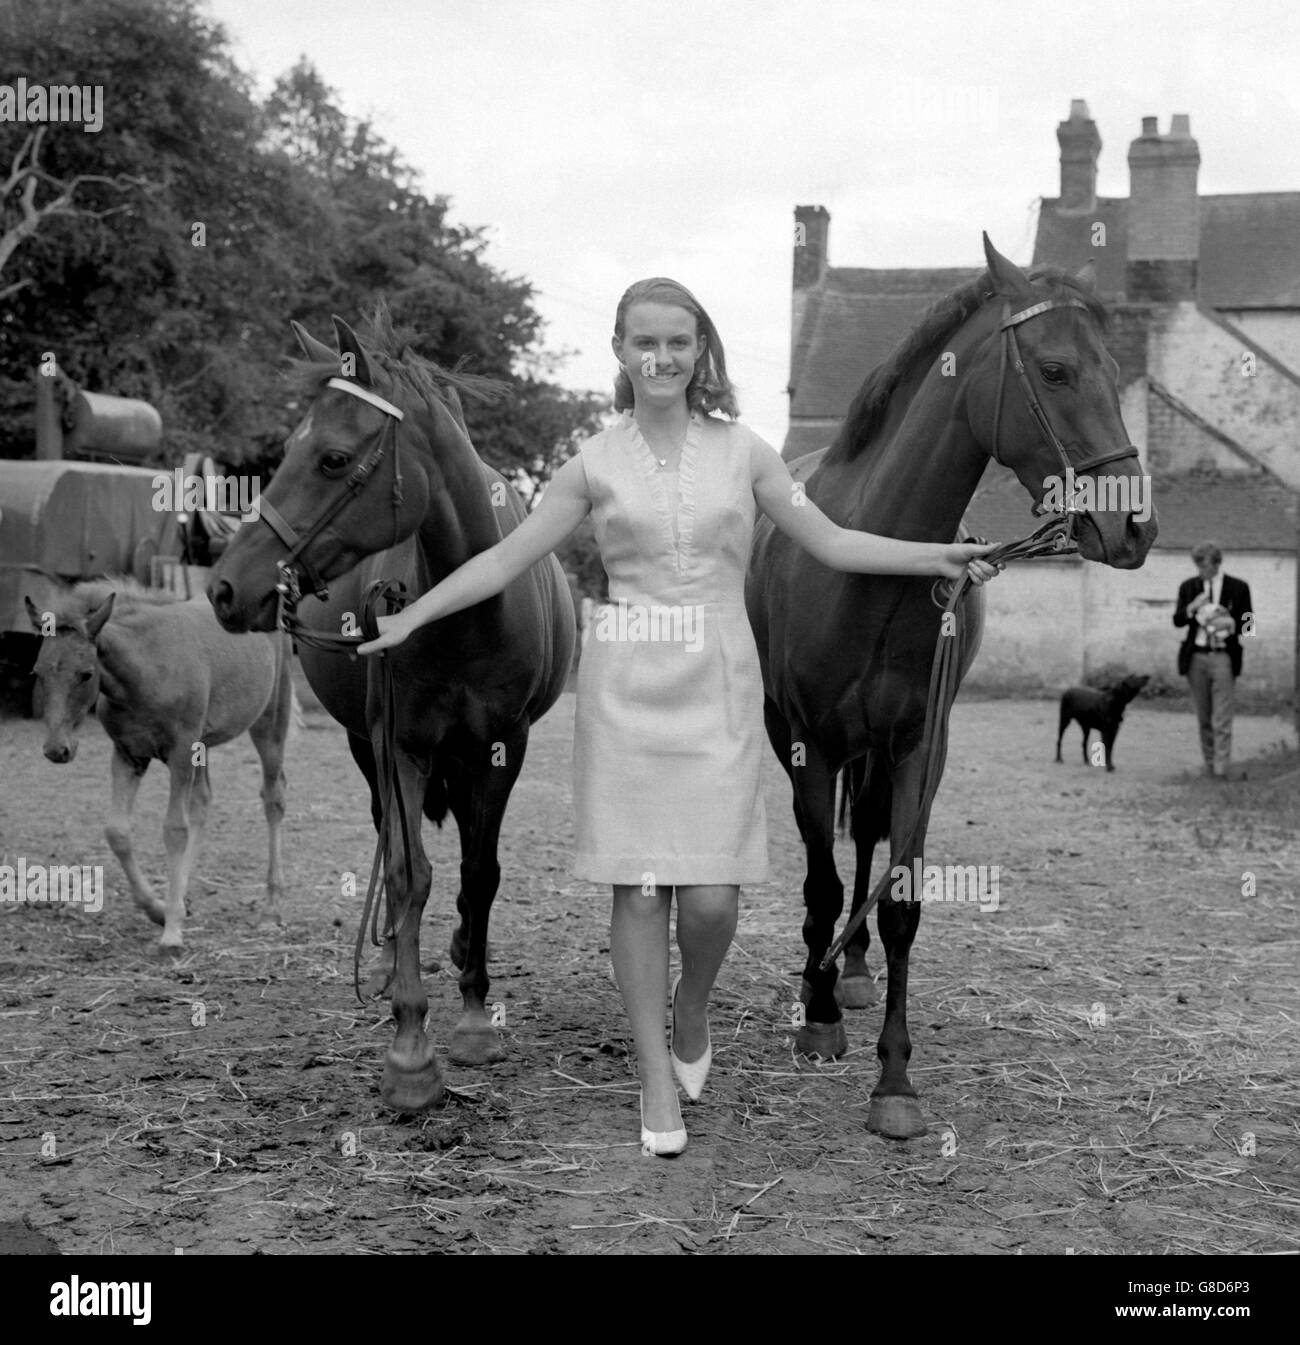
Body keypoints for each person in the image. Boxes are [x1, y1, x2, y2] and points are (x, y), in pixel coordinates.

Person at [358, 278, 1001, 1156]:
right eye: (644, 342)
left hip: (719, 682)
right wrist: (412, 615)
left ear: (703, 352)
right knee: (639, 886)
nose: (661, 357)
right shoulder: (591, 462)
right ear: (620, 352)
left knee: (710, 897)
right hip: (625, 683)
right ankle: (655, 1074)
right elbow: (507, 556)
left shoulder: (748, 453)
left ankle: (691, 1007)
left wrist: (943, 552)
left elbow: (835, 542)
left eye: (679, 341)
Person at [1173, 542, 1253, 780]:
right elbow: (1177, 621)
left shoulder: (1239, 587)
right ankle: (1209, 766)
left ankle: (1221, 769)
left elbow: (1249, 626)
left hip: (1223, 657)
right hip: (1196, 657)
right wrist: (1191, 608)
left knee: (1222, 716)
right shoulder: (1189, 587)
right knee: (1204, 716)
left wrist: (1232, 625)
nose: (1200, 569)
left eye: (1204, 564)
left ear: (1217, 563)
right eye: (1197, 565)